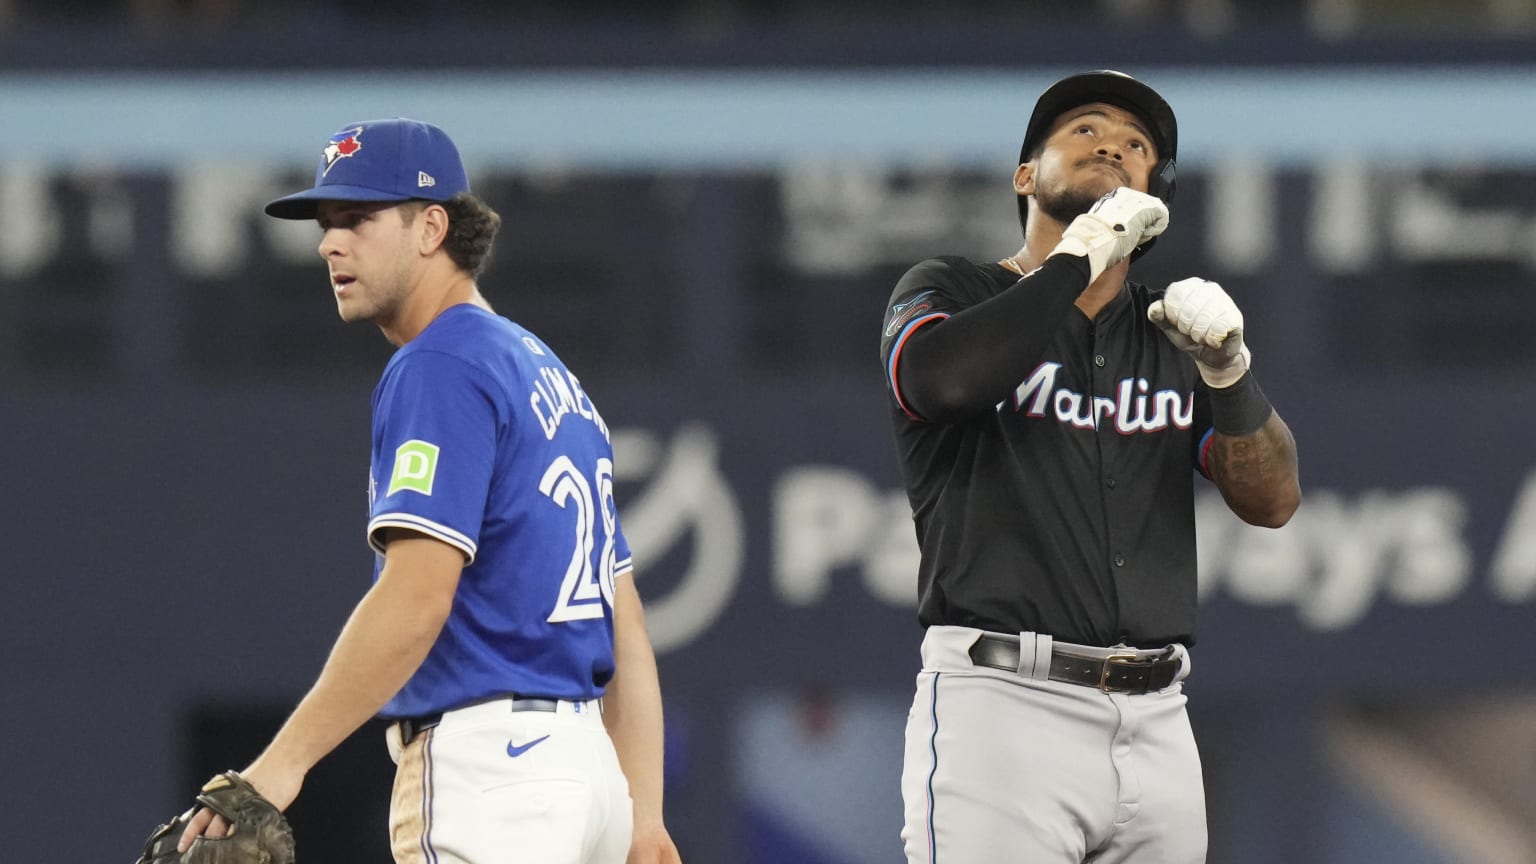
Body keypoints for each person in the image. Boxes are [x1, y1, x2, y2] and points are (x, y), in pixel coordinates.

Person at [175, 117, 682, 864]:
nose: (328, 243)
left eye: (357, 219)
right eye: (326, 224)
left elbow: (418, 597)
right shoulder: (551, 375)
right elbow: (625, 625)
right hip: (587, 781)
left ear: (431, 227)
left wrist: (280, 766)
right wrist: (642, 816)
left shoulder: (439, 363)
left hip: (492, 775)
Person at [879, 71, 1301, 863]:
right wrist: (1076, 262)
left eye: (1137, 145)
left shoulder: (1167, 331)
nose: (1112, 144)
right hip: (1002, 705)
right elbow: (941, 381)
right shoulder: (950, 287)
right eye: (1084, 130)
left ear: (1156, 196)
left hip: (1159, 720)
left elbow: (1273, 498)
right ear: (1025, 175)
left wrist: (1230, 373)